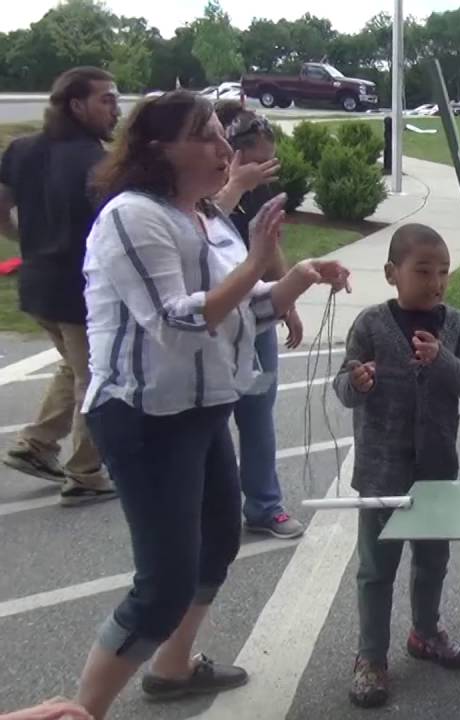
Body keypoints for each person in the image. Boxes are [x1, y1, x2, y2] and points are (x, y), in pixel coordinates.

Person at [73, 90, 351, 719]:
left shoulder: (197, 215)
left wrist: (298, 275)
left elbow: (242, 312)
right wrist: (255, 260)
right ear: (157, 147)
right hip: (142, 419)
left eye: (223, 137)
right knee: (163, 583)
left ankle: (171, 668)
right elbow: (176, 323)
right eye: (207, 136)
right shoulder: (132, 216)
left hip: (199, 410)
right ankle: (81, 709)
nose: (225, 149)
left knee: (218, 541)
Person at [333, 224, 460, 708]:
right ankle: (370, 657)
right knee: (376, 569)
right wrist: (358, 381)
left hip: (437, 468)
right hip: (381, 472)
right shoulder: (371, 326)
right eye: (422, 271)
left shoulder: (456, 325)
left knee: (433, 560)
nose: (435, 282)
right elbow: (342, 387)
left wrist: (441, 361)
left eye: (443, 272)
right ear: (392, 273)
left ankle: (425, 632)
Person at [0, 67, 120, 506]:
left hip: (36, 286)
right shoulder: (100, 163)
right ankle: (86, 473)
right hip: (80, 292)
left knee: (74, 366)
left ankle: (35, 444)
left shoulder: (21, 149)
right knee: (97, 379)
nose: (115, 109)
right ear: (76, 104)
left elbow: (2, 205)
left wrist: (25, 240)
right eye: (106, 100)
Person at [211, 102, 306, 539]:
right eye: (252, 162)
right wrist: (230, 187)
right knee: (209, 423)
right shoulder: (200, 192)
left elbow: (270, 249)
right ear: (229, 153)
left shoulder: (261, 190)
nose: (261, 171)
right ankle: (209, 511)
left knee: (257, 415)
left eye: (268, 162)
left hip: (257, 321)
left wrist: (287, 301)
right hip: (209, 326)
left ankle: (265, 505)